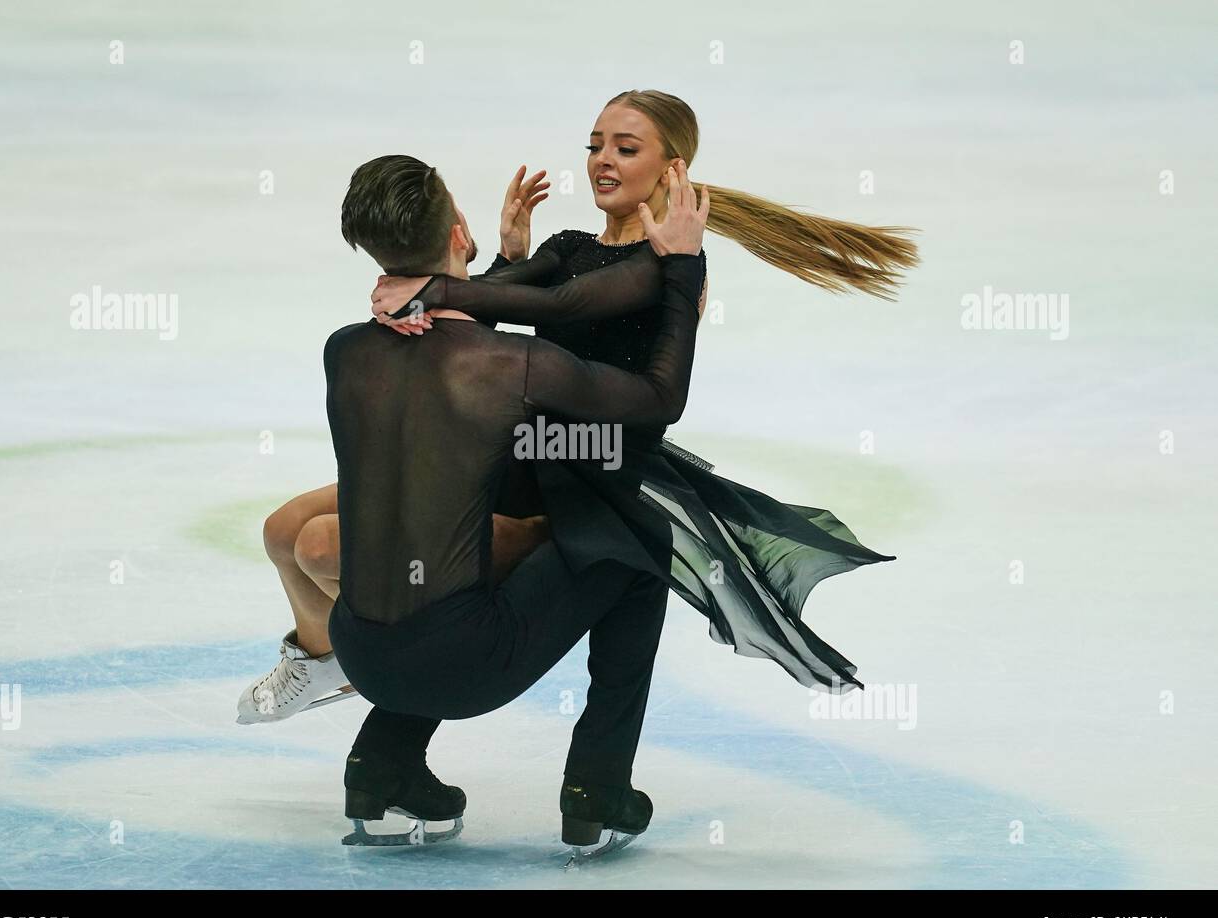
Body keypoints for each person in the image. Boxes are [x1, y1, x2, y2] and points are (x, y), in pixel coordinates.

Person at [240, 89, 906, 726]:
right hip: (516, 446)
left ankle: (511, 564)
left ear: (670, 167)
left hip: (586, 472)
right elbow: (493, 308)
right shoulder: (569, 246)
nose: (602, 160)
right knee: (285, 530)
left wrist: (435, 288)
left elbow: (563, 307)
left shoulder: (660, 266)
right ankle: (322, 661)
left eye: (624, 148)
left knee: (325, 546)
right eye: (595, 146)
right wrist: (499, 259)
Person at [326, 153, 709, 850]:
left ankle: (382, 765)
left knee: (480, 530)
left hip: (357, 645)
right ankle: (598, 787)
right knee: (637, 548)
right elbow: (661, 400)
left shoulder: (345, 350)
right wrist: (684, 269)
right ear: (458, 232)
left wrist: (492, 273)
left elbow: (446, 374)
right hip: (462, 666)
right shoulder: (510, 366)